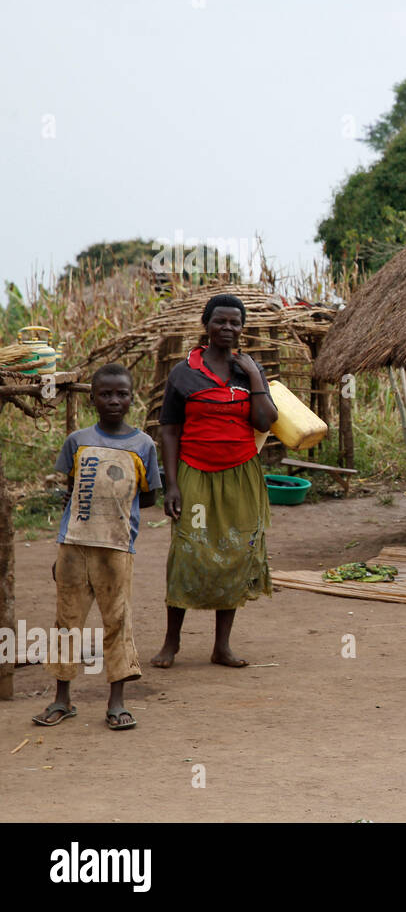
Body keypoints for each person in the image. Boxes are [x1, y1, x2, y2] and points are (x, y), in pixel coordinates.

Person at [151, 294, 277, 670]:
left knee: (236, 553)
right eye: (220, 321)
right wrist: (171, 485)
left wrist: (254, 376)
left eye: (235, 323)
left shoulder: (248, 371)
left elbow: (265, 421)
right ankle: (171, 643)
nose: (227, 328)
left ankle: (222, 647)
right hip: (196, 474)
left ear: (242, 327)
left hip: (241, 475)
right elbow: (170, 431)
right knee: (190, 551)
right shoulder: (183, 373)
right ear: (206, 325)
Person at [32, 364, 161, 730]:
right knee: (66, 623)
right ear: (92, 399)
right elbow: (71, 494)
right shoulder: (77, 440)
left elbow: (148, 496)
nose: (114, 400)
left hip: (116, 548)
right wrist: (60, 545)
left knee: (117, 621)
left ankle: (116, 702)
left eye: (121, 394)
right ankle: (62, 699)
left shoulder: (143, 445)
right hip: (73, 546)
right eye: (106, 394)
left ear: (132, 397)